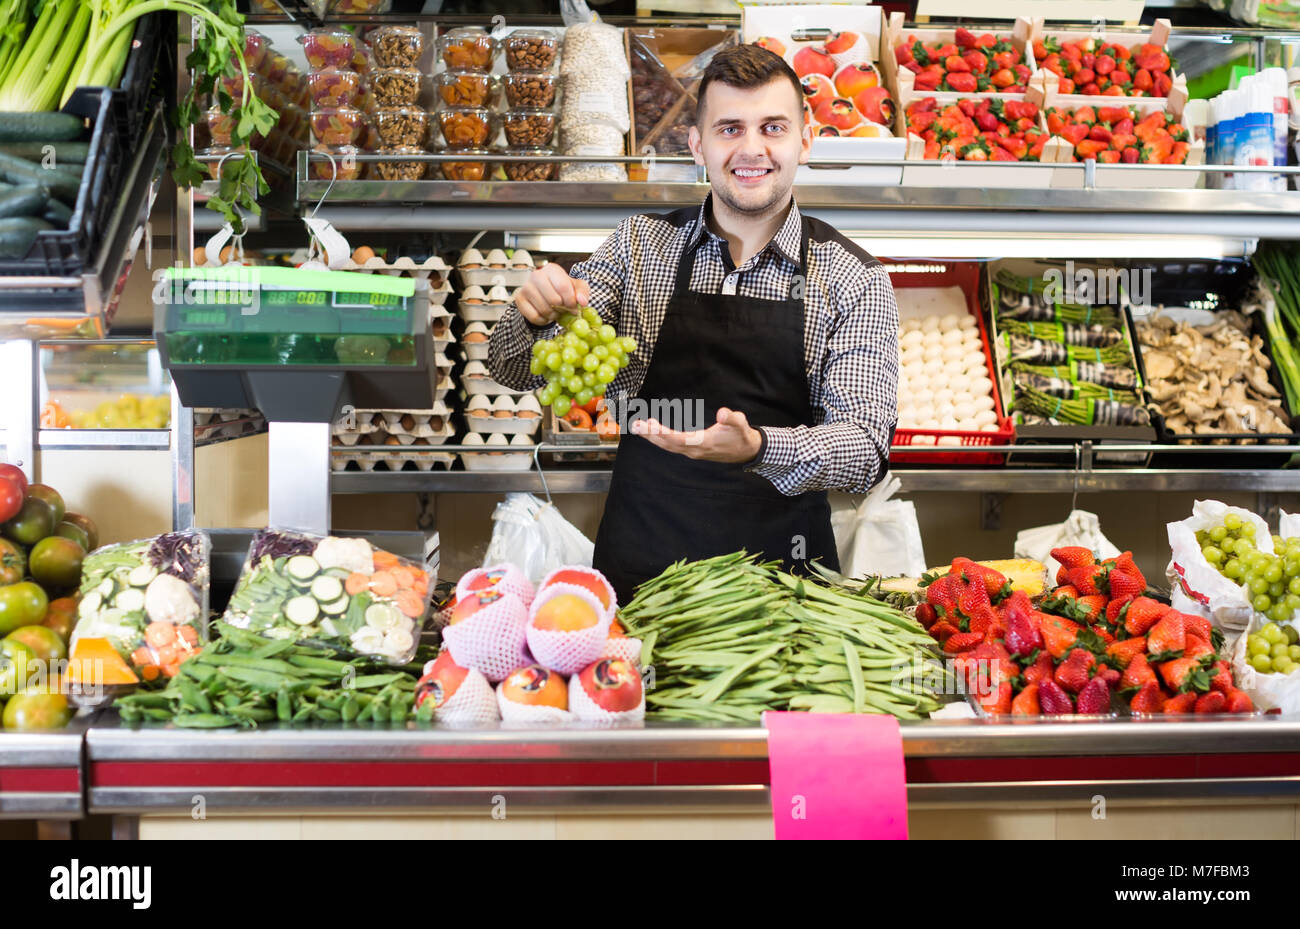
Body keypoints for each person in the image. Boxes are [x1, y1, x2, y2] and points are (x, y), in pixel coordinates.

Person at [489, 43, 899, 605]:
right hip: (642, 584)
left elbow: (865, 450)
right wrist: (533, 313)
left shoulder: (852, 278)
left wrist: (758, 447)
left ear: (805, 141)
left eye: (773, 128)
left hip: (784, 598)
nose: (751, 149)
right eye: (729, 129)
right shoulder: (640, 247)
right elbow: (510, 370)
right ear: (697, 144)